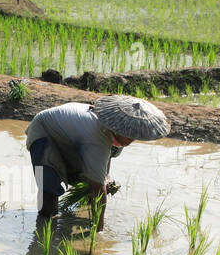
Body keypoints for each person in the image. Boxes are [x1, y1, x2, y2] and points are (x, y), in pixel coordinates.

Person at [25, 94, 169, 228]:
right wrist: (99, 230)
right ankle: (44, 224)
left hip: (68, 136)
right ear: (119, 129)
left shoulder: (117, 130)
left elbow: (105, 159)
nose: (132, 137)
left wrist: (105, 177)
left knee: (89, 178)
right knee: (49, 188)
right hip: (43, 131)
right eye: (130, 135)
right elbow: (98, 189)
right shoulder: (97, 136)